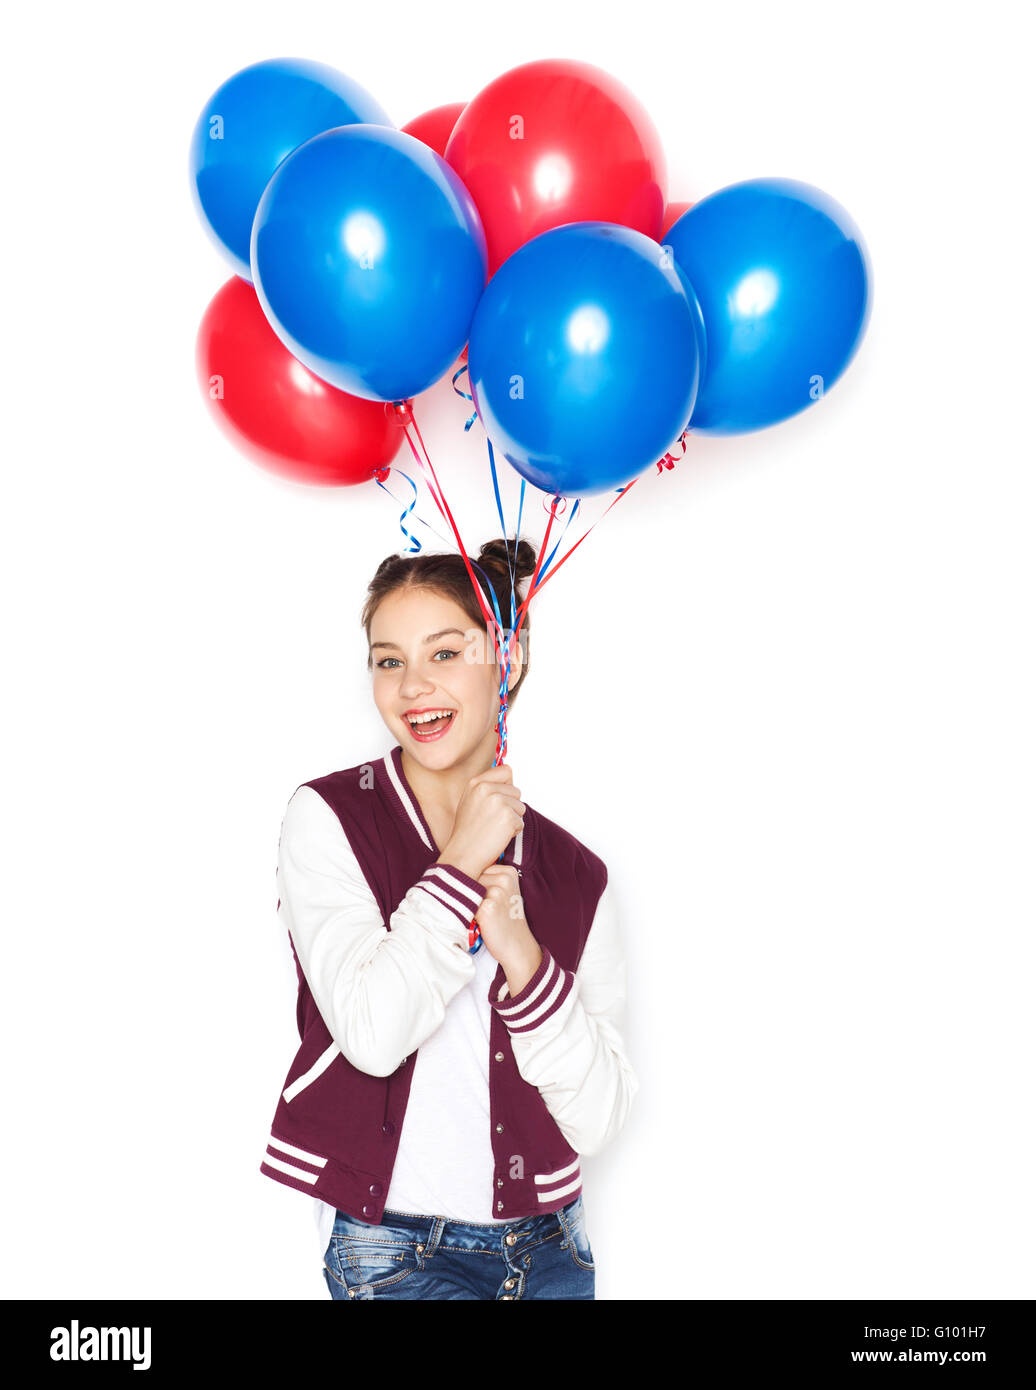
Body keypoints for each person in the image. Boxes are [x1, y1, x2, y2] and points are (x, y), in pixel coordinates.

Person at [262, 536, 638, 1300]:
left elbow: (598, 1117)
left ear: (510, 657)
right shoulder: (328, 818)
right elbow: (372, 1034)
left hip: (553, 1252)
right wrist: (459, 862)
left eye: (444, 653)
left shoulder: (577, 873)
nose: (411, 686)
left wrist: (525, 960)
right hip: (396, 1251)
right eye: (388, 659)